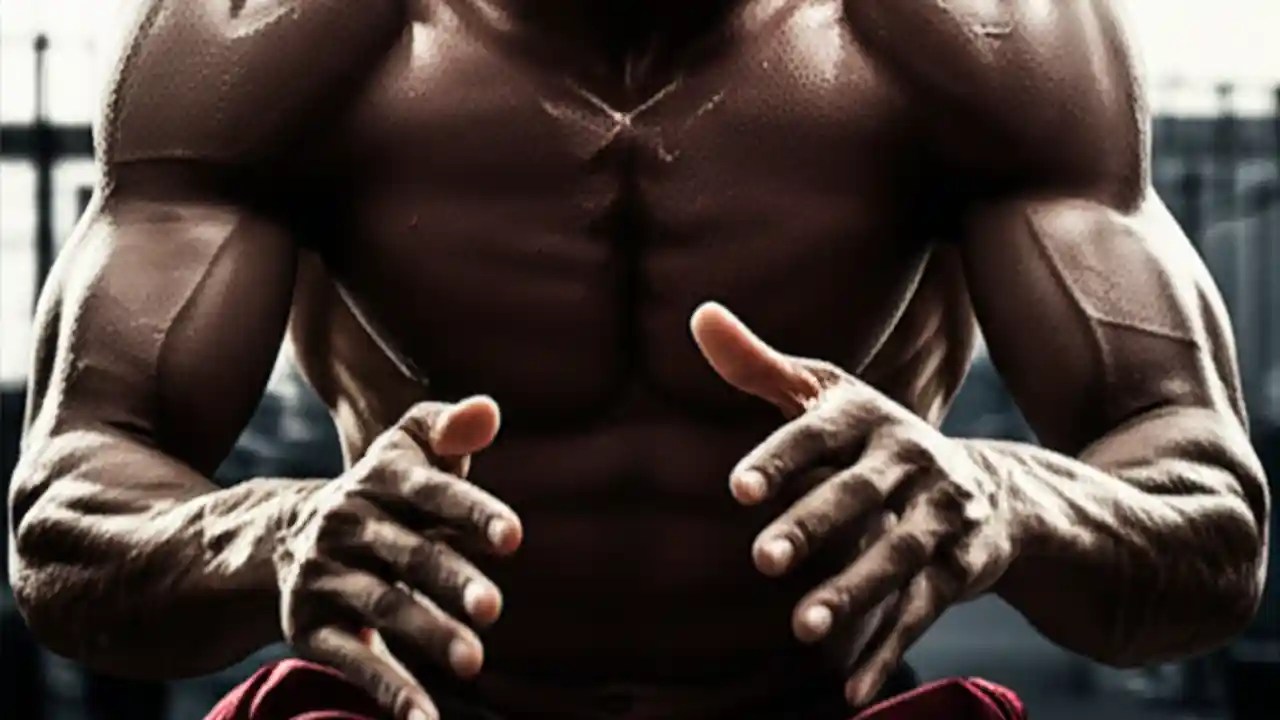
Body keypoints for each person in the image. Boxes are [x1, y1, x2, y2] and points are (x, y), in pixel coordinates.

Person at [7, 1, 1270, 718]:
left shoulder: (985, 41)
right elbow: (67, 519)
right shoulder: (258, 41)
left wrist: (1009, 496)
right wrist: (275, 535)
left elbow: (1209, 524)